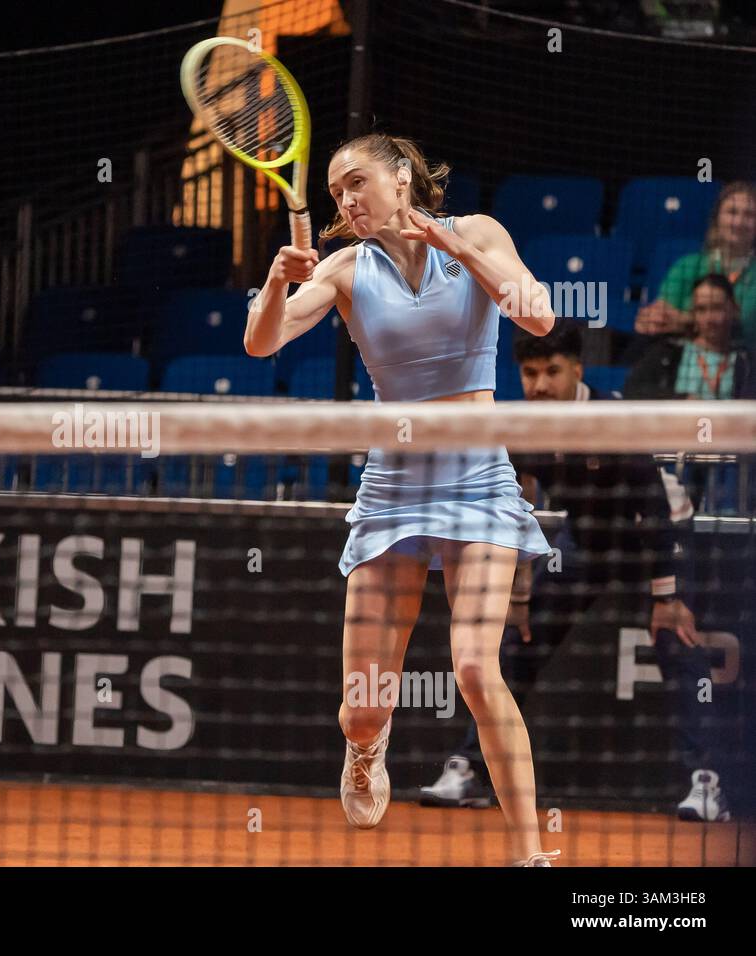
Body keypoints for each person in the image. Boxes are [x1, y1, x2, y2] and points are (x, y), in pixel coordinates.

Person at [246, 133, 559, 866]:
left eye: (357, 183)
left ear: (399, 178)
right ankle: (366, 745)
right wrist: (274, 284)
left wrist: (456, 248)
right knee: (363, 702)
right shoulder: (344, 267)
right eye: (335, 193)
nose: (347, 201)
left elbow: (537, 315)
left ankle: (528, 855)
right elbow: (264, 344)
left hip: (479, 482)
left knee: (478, 671)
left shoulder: (478, 233)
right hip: (393, 491)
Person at [419, 321, 732, 822]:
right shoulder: (522, 428)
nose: (540, 385)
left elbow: (652, 506)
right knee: (520, 642)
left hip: (654, 537)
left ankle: (706, 784)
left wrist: (666, 596)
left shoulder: (611, 419)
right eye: (530, 372)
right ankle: (469, 771)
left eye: (552, 371)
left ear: (577, 371)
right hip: (584, 542)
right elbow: (512, 503)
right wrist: (519, 594)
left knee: (679, 645)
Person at [634, 182, 756, 350]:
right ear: (717, 218)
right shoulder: (687, 265)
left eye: (749, 215)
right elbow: (660, 317)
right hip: (680, 353)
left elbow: (745, 326)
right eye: (732, 212)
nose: (739, 222)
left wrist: (684, 321)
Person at [626, 274, 755, 400]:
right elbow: (632, 390)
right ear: (693, 313)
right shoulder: (668, 353)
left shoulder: (747, 362)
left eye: (717, 308)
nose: (709, 319)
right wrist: (682, 399)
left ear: (734, 309)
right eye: (701, 309)